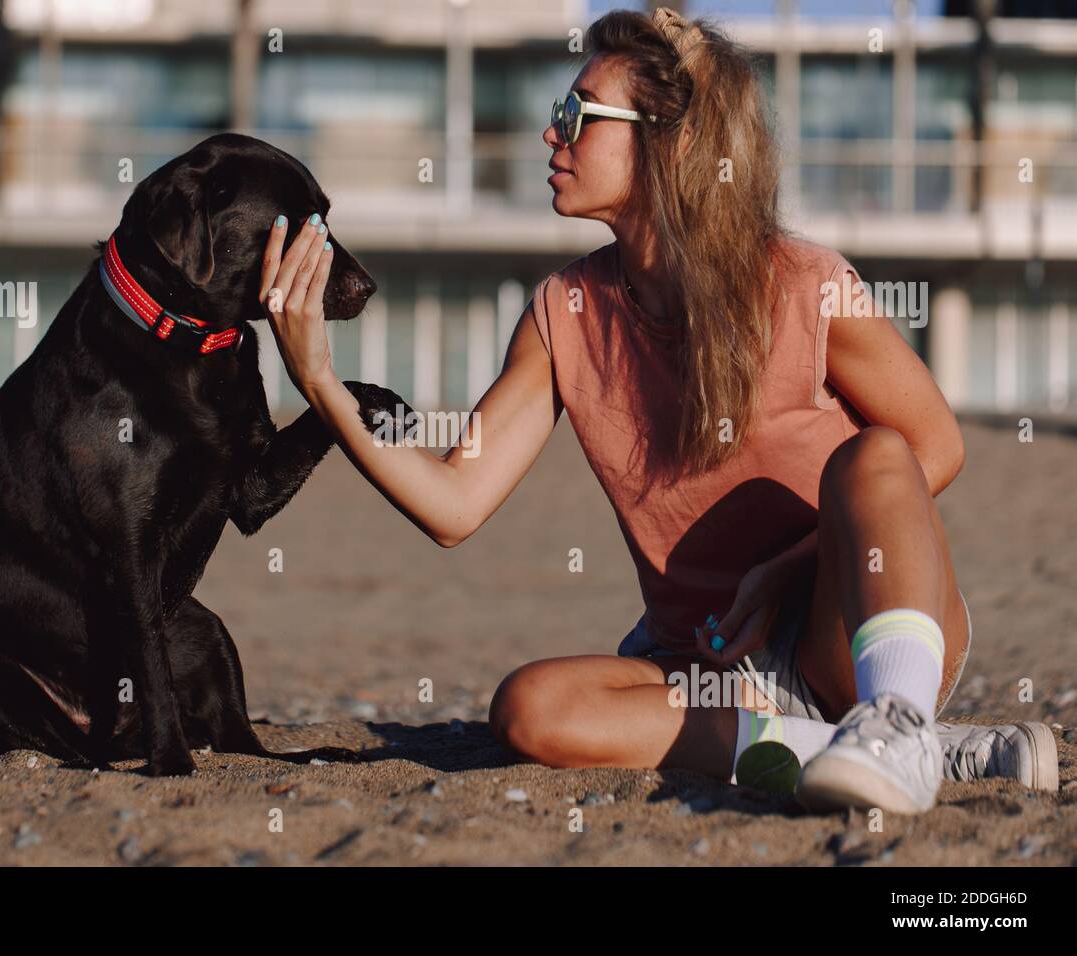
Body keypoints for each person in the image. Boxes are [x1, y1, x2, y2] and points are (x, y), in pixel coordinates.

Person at [255, 7, 1058, 813]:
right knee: (531, 708)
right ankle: (874, 753)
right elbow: (454, 504)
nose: (550, 135)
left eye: (576, 114)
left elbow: (934, 445)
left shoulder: (809, 284)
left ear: (669, 142)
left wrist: (785, 572)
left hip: (848, 638)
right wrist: (320, 382)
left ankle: (899, 718)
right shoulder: (562, 311)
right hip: (702, 671)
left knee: (874, 456)